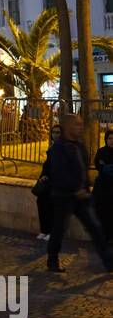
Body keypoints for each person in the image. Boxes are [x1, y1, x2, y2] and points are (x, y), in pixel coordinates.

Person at [46, 113, 113, 274]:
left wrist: (85, 188)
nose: (81, 127)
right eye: (77, 124)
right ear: (68, 126)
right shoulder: (58, 148)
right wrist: (75, 189)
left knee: (95, 229)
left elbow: (82, 168)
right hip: (64, 197)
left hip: (81, 197)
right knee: (59, 230)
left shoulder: (79, 145)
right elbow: (59, 173)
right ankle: (52, 260)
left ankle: (109, 263)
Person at [92, 128, 113, 241]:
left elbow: (103, 167)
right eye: (109, 138)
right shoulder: (101, 151)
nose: (112, 140)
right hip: (102, 187)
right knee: (102, 211)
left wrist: (106, 166)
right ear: (106, 139)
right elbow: (98, 165)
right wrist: (106, 167)